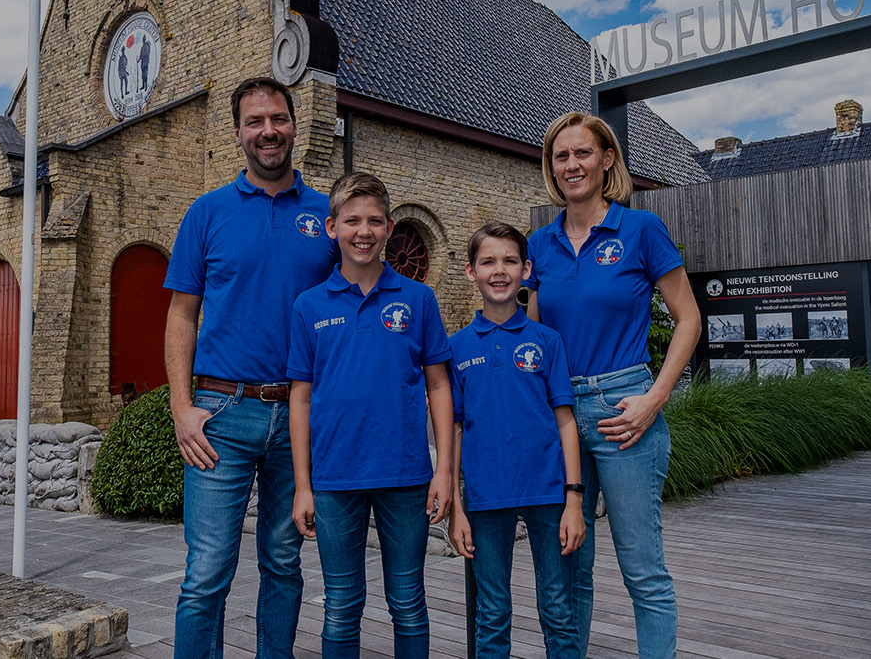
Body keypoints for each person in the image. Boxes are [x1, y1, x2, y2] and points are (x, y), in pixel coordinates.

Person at [164, 77, 339, 659]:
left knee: (284, 564)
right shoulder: (207, 213)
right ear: (238, 132)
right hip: (221, 417)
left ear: (295, 124)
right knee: (207, 572)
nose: (269, 131)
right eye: (256, 121)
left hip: (298, 417)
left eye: (278, 118)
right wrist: (182, 409)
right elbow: (182, 315)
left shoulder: (328, 217)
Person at [525, 111, 703, 659]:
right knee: (570, 566)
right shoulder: (539, 244)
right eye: (561, 156)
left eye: (582, 154)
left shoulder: (640, 230)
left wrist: (655, 399)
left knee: (641, 568)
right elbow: (531, 335)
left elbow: (690, 319)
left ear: (606, 161)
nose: (571, 165)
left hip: (623, 409)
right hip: (560, 413)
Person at [285, 171, 455, 659]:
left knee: (407, 603)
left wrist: (443, 469)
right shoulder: (309, 306)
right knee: (341, 606)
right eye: (353, 220)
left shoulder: (418, 299)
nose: (364, 231)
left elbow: (439, 384)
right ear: (331, 227)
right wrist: (303, 484)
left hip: (404, 476)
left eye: (375, 221)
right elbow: (300, 396)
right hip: (335, 478)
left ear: (389, 229)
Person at [446, 222, 584, 659]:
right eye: (488, 262)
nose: (499, 271)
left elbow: (565, 422)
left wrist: (575, 499)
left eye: (509, 261)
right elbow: (452, 429)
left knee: (559, 610)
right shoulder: (456, 348)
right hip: (486, 497)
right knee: (492, 613)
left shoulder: (548, 341)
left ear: (526, 270)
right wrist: (456, 508)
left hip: (548, 494)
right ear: (471, 272)